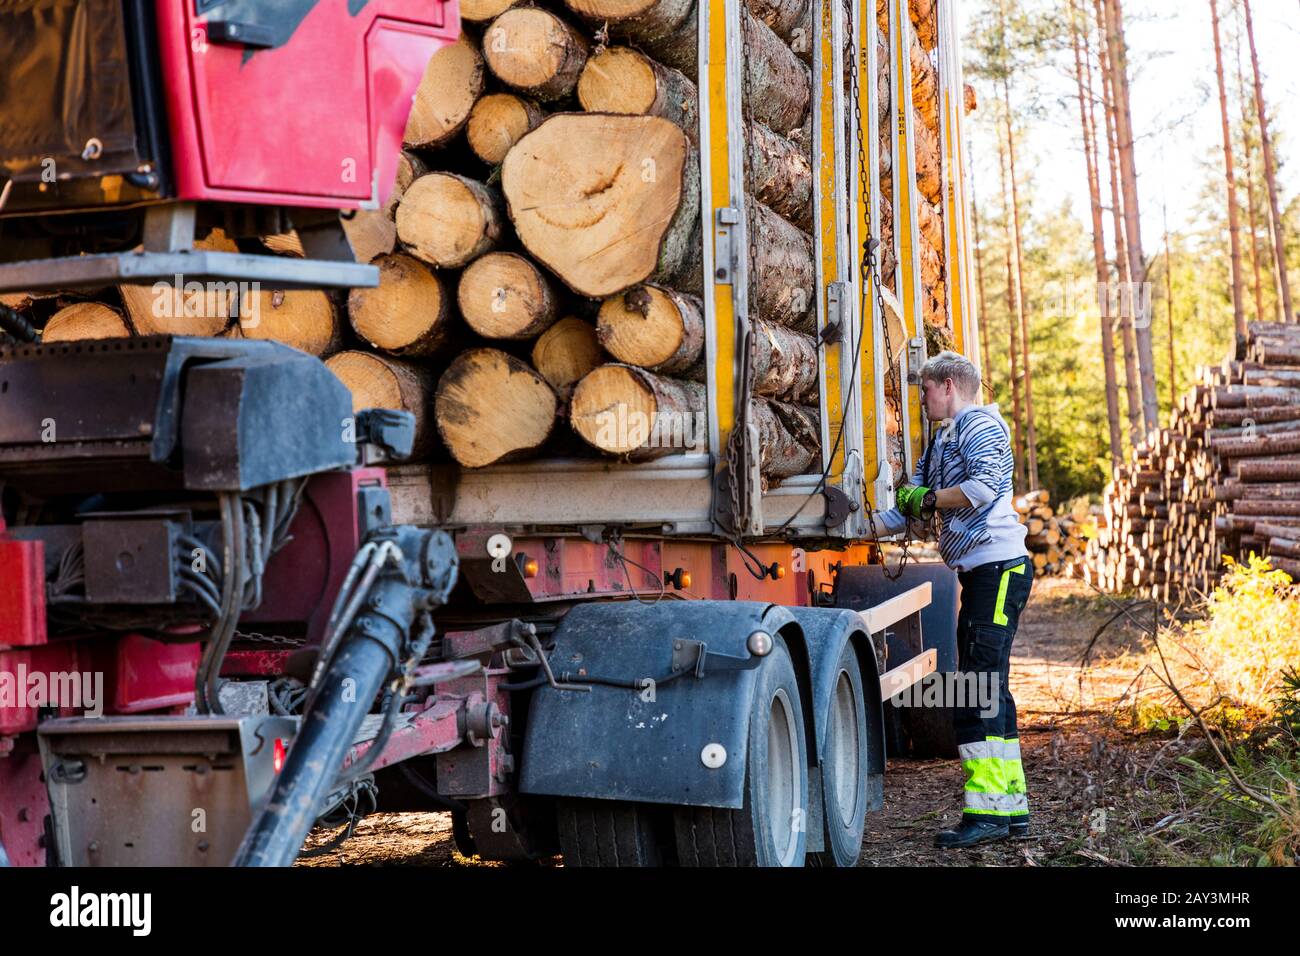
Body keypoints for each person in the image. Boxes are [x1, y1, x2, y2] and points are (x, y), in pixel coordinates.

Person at [871, 351, 1033, 848]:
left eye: (925, 390)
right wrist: (858, 522)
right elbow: (910, 505)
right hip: (981, 574)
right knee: (992, 692)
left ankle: (986, 815)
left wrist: (928, 501)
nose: (921, 399)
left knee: (976, 694)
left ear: (948, 385)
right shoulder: (940, 441)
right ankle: (1011, 810)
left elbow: (984, 488)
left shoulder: (980, 425)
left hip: (999, 570)